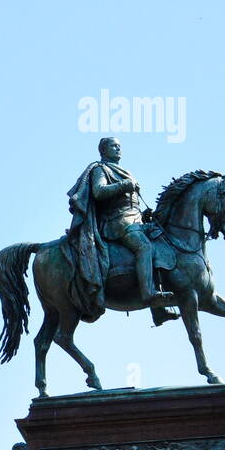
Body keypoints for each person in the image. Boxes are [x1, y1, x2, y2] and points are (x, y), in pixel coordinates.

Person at [65, 137, 177, 323]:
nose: (118, 148)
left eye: (119, 146)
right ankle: (149, 294)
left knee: (161, 242)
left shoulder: (124, 170)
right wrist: (125, 184)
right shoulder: (101, 169)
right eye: (113, 146)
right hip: (116, 221)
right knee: (143, 247)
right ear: (103, 150)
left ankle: (158, 311)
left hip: (134, 218)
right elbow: (99, 191)